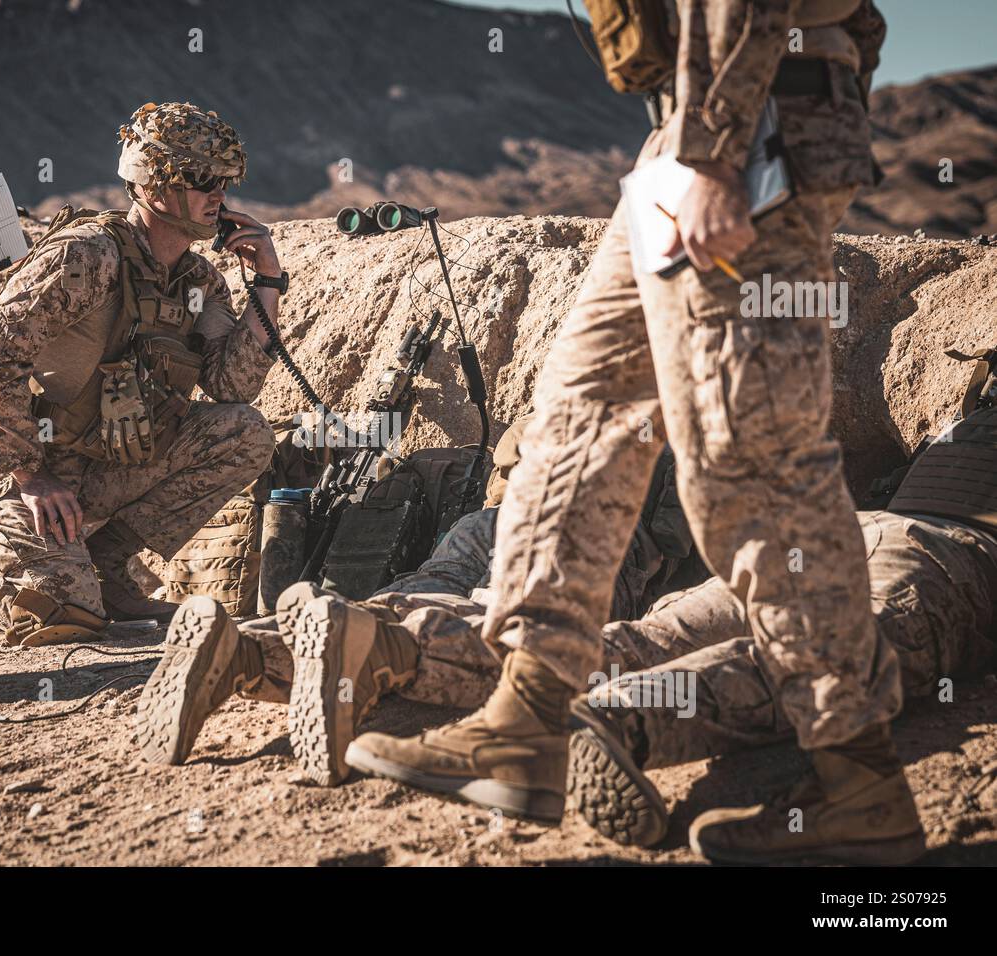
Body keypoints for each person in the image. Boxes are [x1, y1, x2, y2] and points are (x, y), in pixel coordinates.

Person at [344, 1, 922, 865]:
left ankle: (860, 781)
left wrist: (729, 145)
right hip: (685, 143)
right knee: (581, 414)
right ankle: (525, 721)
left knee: (750, 456)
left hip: (737, 143)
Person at [0, 102, 283, 648]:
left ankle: (105, 567)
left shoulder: (198, 279)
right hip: (17, 468)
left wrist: (268, 278)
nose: (218, 193)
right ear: (151, 185)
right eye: (200, 178)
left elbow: (233, 388)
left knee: (245, 433)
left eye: (226, 179)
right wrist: (30, 475)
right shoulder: (87, 257)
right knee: (60, 616)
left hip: (102, 462)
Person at [136, 418, 697, 786]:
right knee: (514, 627)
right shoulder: (689, 400)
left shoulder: (593, 364)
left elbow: (512, 450)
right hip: (595, 538)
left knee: (417, 592)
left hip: (493, 522)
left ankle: (248, 648)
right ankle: (377, 648)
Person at [569, 391, 997, 854]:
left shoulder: (975, 415)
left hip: (840, 531)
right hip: (942, 553)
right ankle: (625, 716)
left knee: (657, 636)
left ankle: (525, 685)